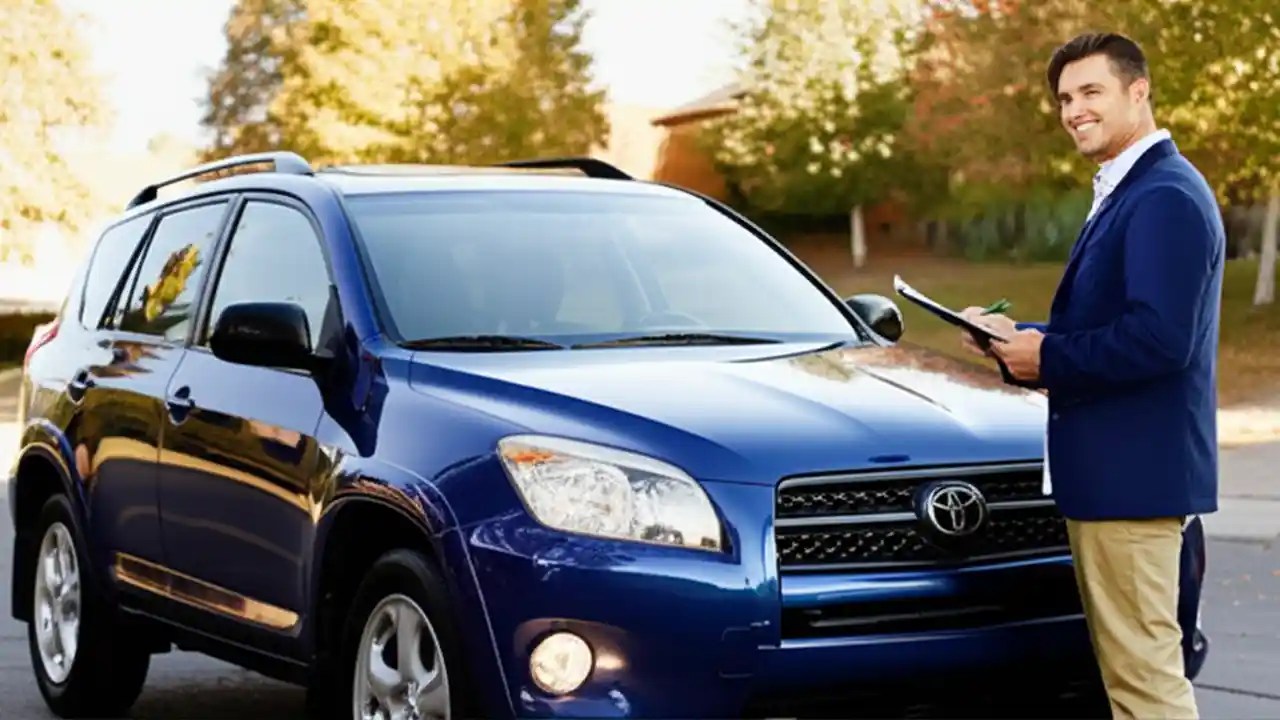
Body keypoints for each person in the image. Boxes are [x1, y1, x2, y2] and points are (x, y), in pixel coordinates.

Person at [958, 32, 1223, 719]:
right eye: (1064, 98)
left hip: (1133, 486)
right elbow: (1114, 323)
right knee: (1131, 680)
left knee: (1145, 685)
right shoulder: (1130, 189)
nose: (1073, 110)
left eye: (1090, 92)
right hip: (1114, 483)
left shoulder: (1163, 195)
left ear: (1139, 91)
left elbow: (1161, 340)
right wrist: (1015, 339)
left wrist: (1046, 359)